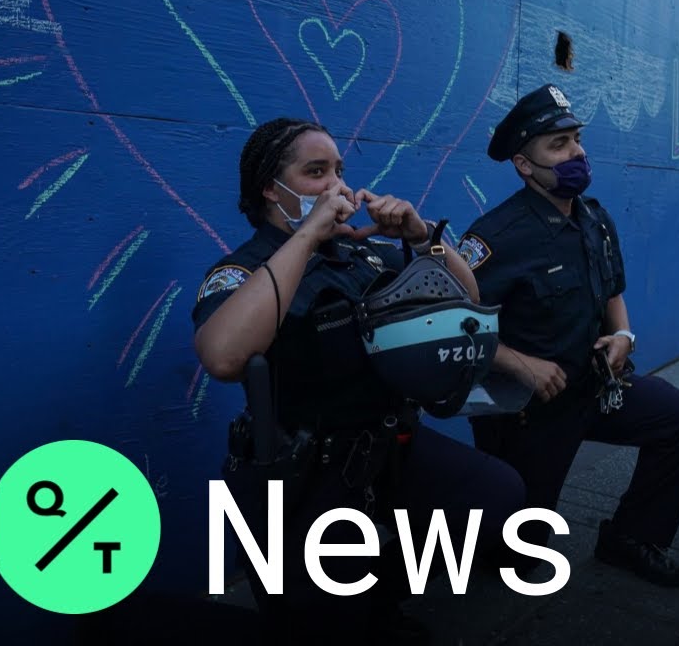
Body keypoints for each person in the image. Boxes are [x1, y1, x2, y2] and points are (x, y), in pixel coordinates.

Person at [191, 117, 526, 644]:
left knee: (496, 499)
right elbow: (223, 356)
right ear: (269, 189)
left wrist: (419, 235)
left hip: (390, 443)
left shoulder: (361, 253)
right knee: (317, 618)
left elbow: (469, 301)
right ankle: (357, 608)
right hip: (310, 469)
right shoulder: (244, 268)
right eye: (316, 172)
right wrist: (306, 235)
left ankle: (381, 594)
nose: (337, 187)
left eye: (339, 172)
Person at [457, 84, 679, 588]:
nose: (575, 152)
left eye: (575, 139)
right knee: (514, 560)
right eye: (558, 144)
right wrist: (518, 363)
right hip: (531, 408)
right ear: (523, 165)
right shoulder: (495, 237)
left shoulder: (595, 218)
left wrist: (624, 337)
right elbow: (451, 323)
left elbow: (612, 291)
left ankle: (629, 537)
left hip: (596, 387)